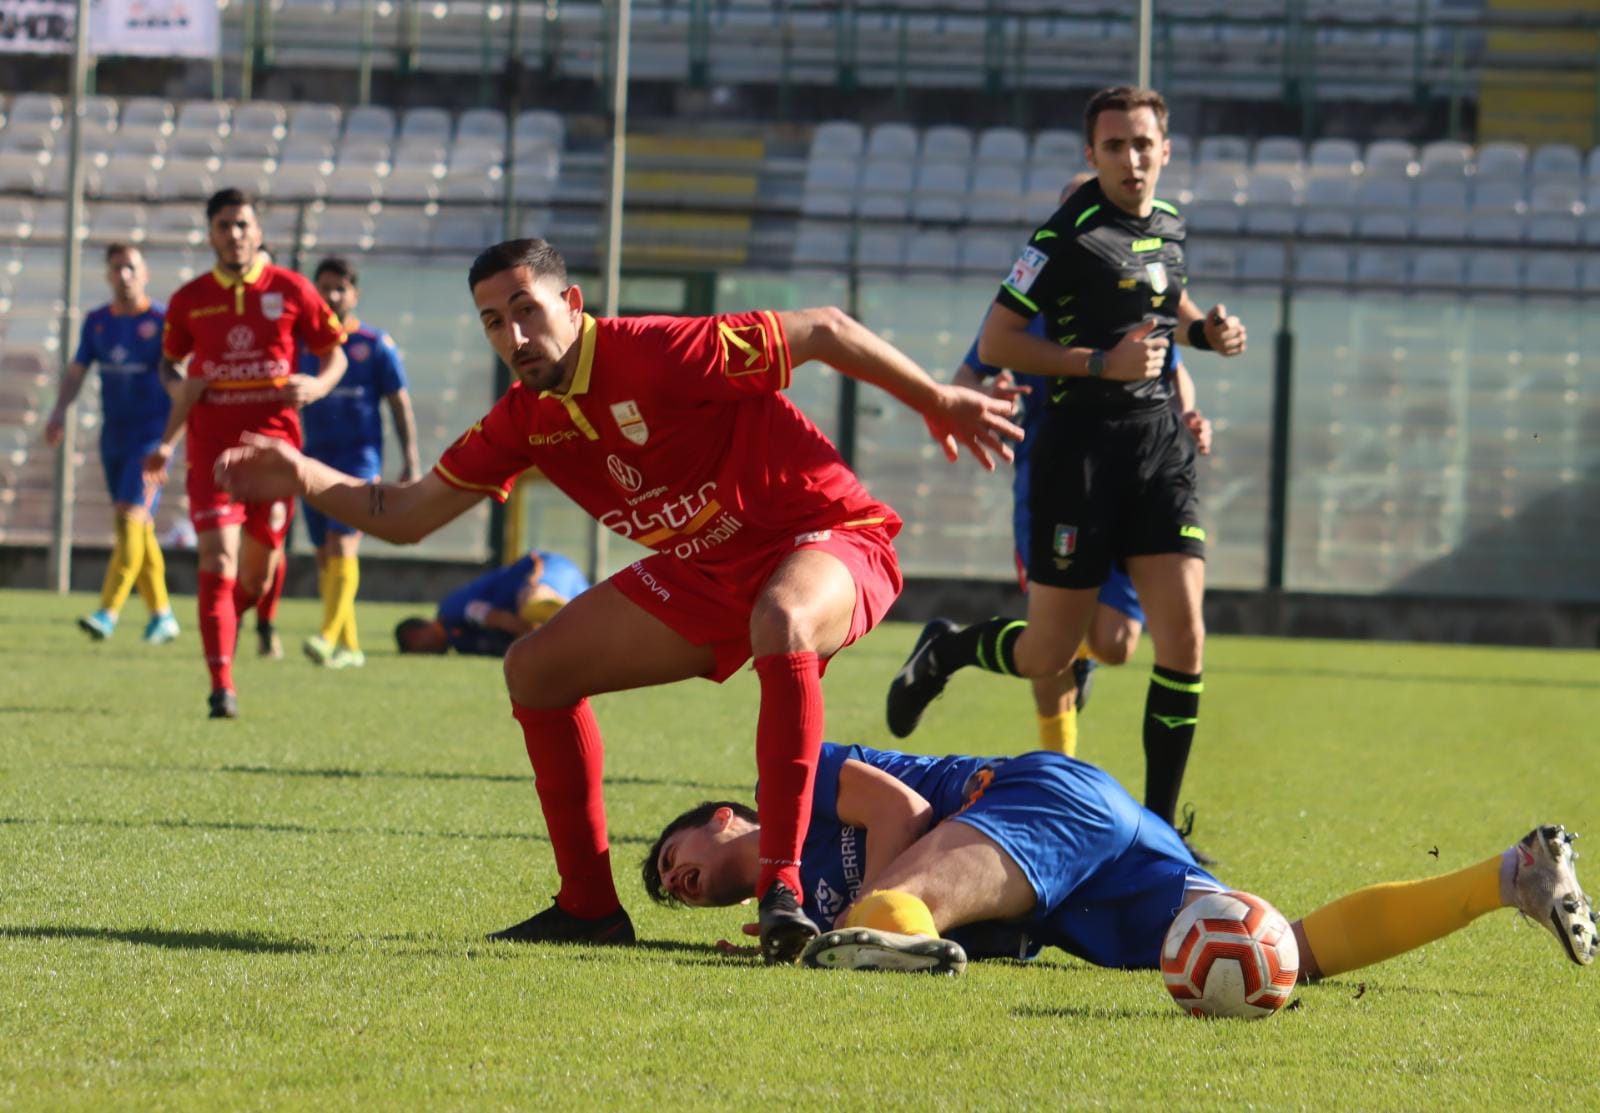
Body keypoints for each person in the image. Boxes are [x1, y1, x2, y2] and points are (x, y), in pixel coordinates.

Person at [214, 237, 1022, 962]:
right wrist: (304, 473)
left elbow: (824, 329)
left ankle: (785, 890)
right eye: (493, 321)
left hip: (829, 535)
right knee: (534, 669)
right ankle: (589, 908)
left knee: (781, 618)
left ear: (572, 303)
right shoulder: (526, 419)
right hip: (707, 570)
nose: (514, 335)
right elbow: (412, 514)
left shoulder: (663, 350)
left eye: (526, 309)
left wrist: (936, 398)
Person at [886, 86, 1245, 839]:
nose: (1132, 158)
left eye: (1143, 144)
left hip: (1159, 454)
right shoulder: (1060, 238)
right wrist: (1095, 362)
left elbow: (1167, 304)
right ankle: (949, 647)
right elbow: (995, 343)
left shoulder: (1173, 228)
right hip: (1077, 458)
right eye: (1115, 146)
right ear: (1093, 155)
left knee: (1181, 641)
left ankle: (1162, 833)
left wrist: (1208, 334)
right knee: (1049, 647)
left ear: (1166, 150)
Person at [644, 742, 1598, 979]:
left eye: (668, 856)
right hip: (1084, 884)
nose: (672, 881)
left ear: (722, 815)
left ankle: (886, 940)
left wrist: (864, 906)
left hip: (1037, 802)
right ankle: (1510, 877)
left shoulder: (788, 780)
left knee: (892, 912)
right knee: (1274, 954)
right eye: (666, 895)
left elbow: (896, 805)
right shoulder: (791, 893)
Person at [953, 292, 1211, 757]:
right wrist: (984, 396)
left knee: (1115, 645)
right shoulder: (1029, 301)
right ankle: (1058, 773)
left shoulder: (1131, 292)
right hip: (1051, 486)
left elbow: (1173, 368)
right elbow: (970, 371)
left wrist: (1184, 414)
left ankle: (1059, 655)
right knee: (1050, 650)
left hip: (1132, 481)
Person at [144, 188, 348, 720]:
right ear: (210, 234)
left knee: (254, 580)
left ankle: (229, 630)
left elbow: (334, 354)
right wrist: (177, 391)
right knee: (217, 561)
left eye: (242, 225)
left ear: (257, 232)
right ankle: (221, 684)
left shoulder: (292, 288)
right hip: (212, 451)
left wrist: (317, 386)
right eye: (223, 226)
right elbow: (169, 365)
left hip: (277, 454)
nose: (233, 235)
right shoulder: (190, 299)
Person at [43, 243, 180, 645]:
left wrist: (175, 435)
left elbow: (181, 378)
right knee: (138, 528)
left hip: (151, 436)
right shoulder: (98, 322)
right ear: (107, 275)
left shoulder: (162, 321)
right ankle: (162, 614)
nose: (124, 275)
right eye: (117, 268)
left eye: (131, 267)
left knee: (129, 518)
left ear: (145, 273)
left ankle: (108, 611)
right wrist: (58, 413)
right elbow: (77, 371)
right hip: (113, 436)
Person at [298, 255, 422, 670]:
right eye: (324, 288)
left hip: (358, 458)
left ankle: (326, 636)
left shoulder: (374, 344)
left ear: (354, 294)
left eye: (340, 288)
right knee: (323, 556)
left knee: (342, 543)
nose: (331, 296)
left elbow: (399, 404)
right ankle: (350, 648)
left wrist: (409, 460)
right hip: (314, 458)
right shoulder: (303, 344)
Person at [395, 549, 590, 657]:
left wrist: (530, 634)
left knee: (530, 604)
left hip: (545, 570)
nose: (422, 652)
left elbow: (498, 619)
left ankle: (571, 618)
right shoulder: (463, 644)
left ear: (415, 634)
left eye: (412, 645)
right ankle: (583, 619)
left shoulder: (451, 611)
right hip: (572, 588)